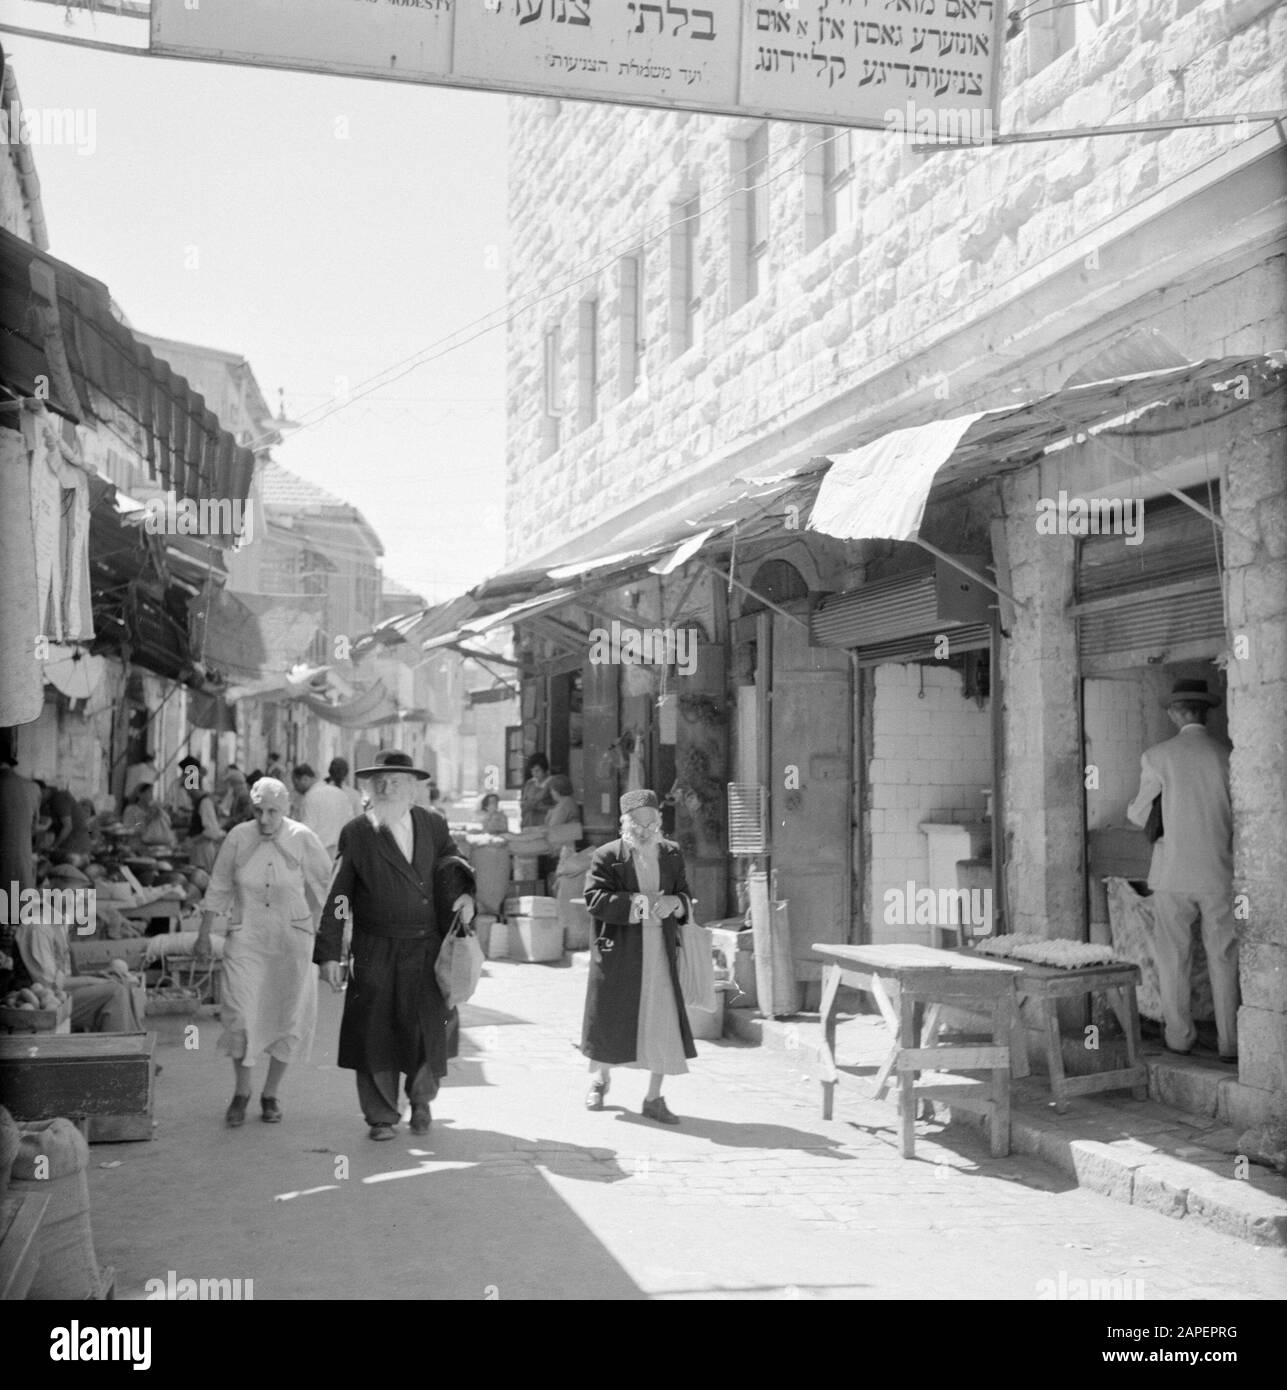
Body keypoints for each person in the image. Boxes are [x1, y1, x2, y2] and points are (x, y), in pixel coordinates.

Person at [315, 750, 476, 1141]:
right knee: (374, 1035)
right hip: (375, 950)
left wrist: (466, 895)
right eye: (380, 781)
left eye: (397, 781)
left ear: (413, 787)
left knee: (427, 1031)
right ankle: (381, 1116)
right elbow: (340, 895)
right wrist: (330, 953)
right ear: (370, 787)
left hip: (426, 948)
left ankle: (421, 1100)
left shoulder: (433, 824)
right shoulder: (357, 832)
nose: (387, 788)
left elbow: (452, 862)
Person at [195, 777, 333, 1127]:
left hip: (292, 940)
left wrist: (323, 929)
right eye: (258, 811)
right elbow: (220, 885)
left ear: (286, 809)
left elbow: (327, 886)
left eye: (273, 811)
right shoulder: (239, 837)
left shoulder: (302, 837)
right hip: (247, 937)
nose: (265, 819)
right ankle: (242, 1092)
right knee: (240, 1012)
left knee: (288, 1016)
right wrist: (203, 933)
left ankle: (271, 1094)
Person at [1127, 678, 1238, 1063]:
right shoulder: (1227, 755)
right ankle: (1231, 1043)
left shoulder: (1158, 756)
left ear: (1176, 713)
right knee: (1223, 956)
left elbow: (1139, 813)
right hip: (1219, 874)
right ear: (1206, 713)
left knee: (1173, 957)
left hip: (1172, 874)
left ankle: (1179, 1038)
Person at [581, 788, 697, 1124]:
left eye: (651, 821)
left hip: (659, 951)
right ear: (625, 823)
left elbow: (686, 896)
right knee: (611, 1018)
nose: (645, 829)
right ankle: (600, 1080)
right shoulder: (607, 855)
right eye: (638, 822)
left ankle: (653, 1097)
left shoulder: (672, 854)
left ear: (659, 820)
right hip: (620, 951)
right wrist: (643, 904)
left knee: (663, 1023)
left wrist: (677, 904)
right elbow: (595, 900)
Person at [292, 762, 352, 857]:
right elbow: (350, 823)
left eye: (296, 784)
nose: (296, 789)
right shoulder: (340, 793)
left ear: (305, 779)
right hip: (341, 854)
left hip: (318, 855)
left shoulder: (310, 797)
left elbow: (307, 829)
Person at [180, 757, 226, 874]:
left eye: (187, 789)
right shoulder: (200, 802)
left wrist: (192, 841)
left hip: (203, 851)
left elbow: (212, 831)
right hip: (198, 851)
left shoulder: (205, 802)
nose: (187, 793)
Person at [39, 782, 92, 860]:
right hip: (76, 846)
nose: (85, 812)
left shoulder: (59, 798)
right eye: (84, 809)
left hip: (74, 847)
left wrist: (53, 846)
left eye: (87, 810)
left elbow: (68, 827)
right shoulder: (50, 803)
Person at [122, 782, 177, 850]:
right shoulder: (131, 810)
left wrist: (160, 812)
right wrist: (145, 820)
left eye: (152, 792)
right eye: (148, 792)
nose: (151, 795)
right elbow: (130, 828)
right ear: (139, 794)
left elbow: (168, 822)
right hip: (138, 845)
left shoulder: (154, 808)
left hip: (158, 844)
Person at [520, 753, 554, 828]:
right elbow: (523, 802)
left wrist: (539, 807)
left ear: (545, 769)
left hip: (544, 825)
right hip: (528, 824)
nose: (534, 774)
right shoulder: (529, 783)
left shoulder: (553, 783)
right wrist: (524, 805)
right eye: (532, 771)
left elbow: (558, 807)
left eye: (537, 771)